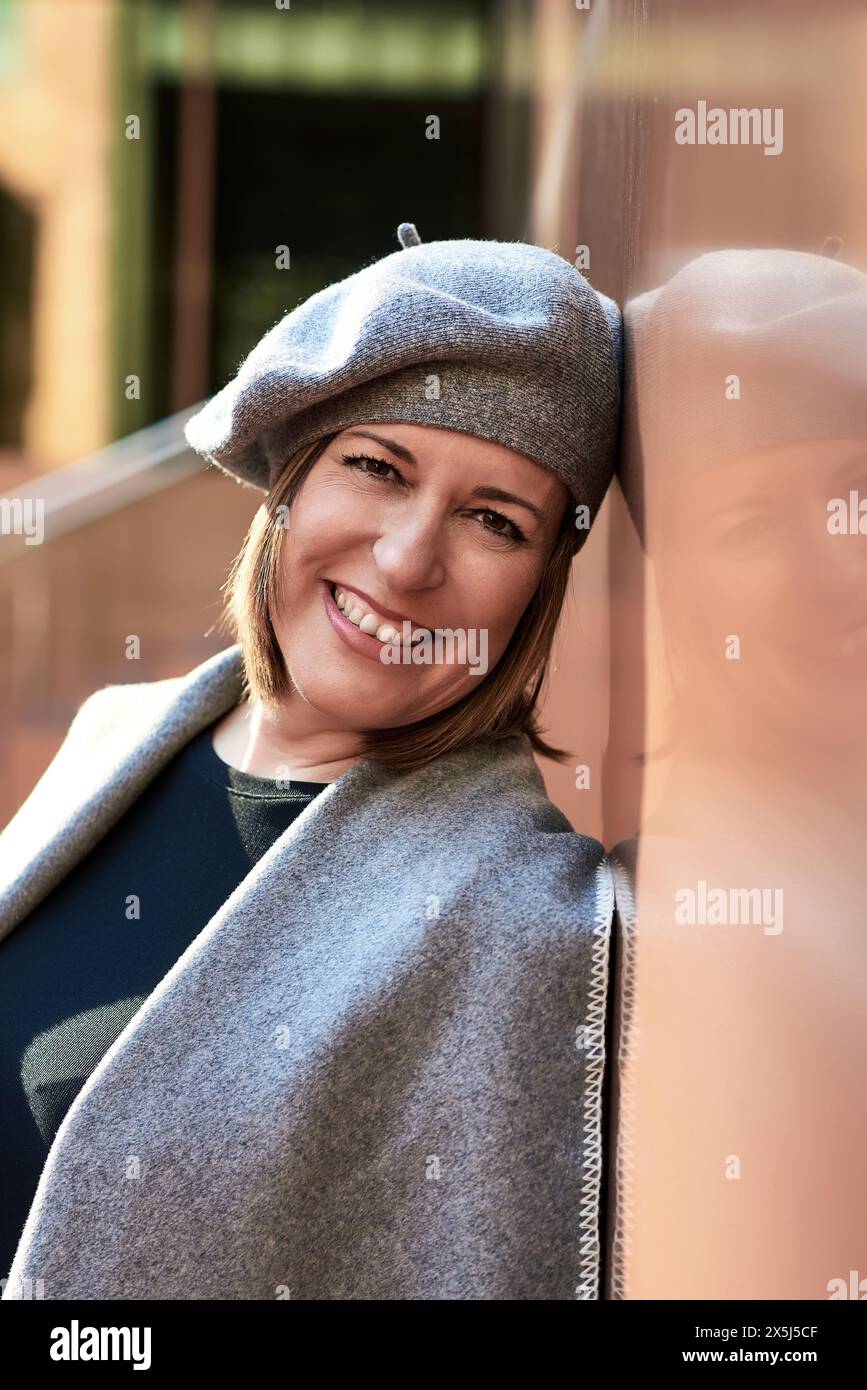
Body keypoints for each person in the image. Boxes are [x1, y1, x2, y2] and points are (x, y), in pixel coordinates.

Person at [0, 221, 623, 1301]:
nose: (406, 559)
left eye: (494, 520)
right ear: (290, 483)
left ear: (539, 587)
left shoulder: (526, 925)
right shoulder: (118, 730)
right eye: (379, 467)